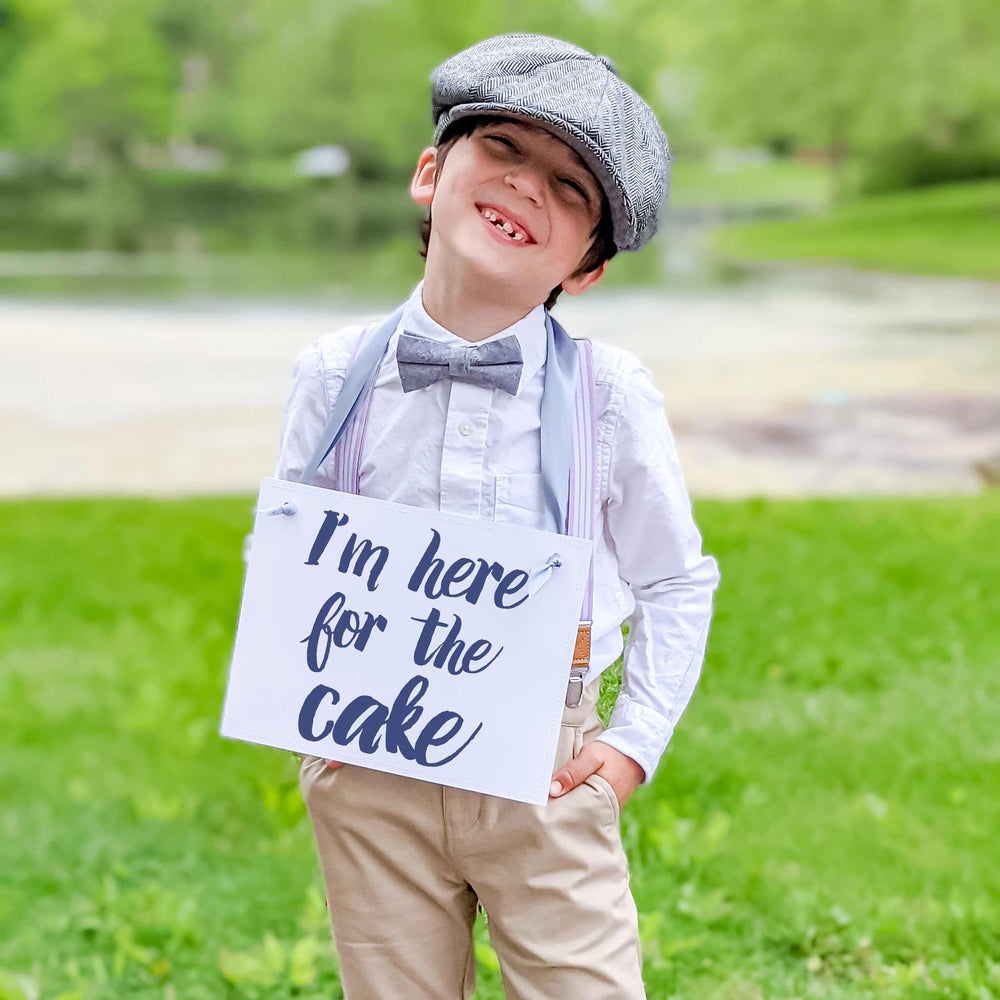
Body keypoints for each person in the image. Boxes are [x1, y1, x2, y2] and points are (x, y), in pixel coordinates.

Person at [272, 32, 721, 999]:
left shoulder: (610, 394)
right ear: (430, 172)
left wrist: (630, 747)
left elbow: (677, 580)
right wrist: (311, 715)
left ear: (587, 269)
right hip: (370, 762)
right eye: (505, 148)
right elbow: (298, 550)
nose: (526, 184)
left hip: (547, 771)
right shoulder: (332, 374)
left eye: (571, 188)